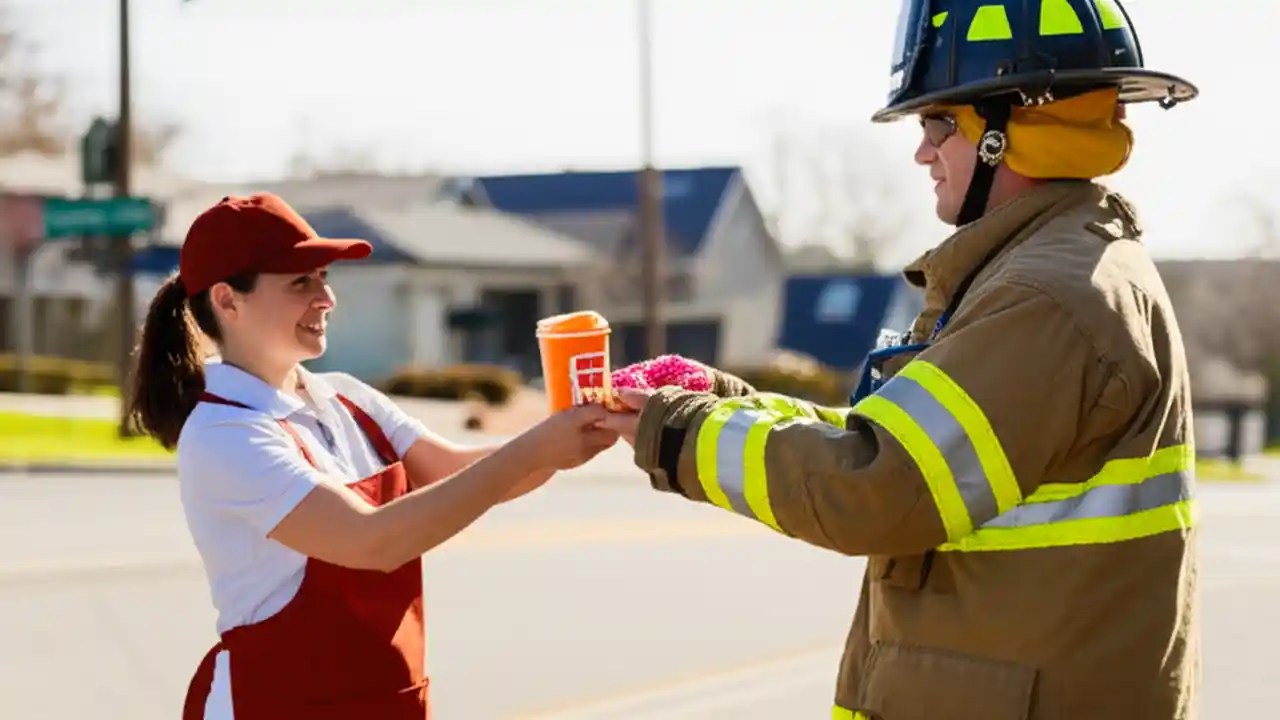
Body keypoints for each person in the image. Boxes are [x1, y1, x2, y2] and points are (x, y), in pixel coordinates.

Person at [602, 1, 1199, 718]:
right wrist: (730, 404)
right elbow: (895, 445)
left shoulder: (1045, 296)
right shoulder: (1052, 269)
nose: (922, 152)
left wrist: (685, 433)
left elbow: (880, 488)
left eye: (938, 124)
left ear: (1004, 135)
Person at [126, 192, 617, 719]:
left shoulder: (346, 397)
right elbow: (370, 539)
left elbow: (456, 471)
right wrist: (538, 448)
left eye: (323, 278)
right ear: (227, 300)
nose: (326, 298)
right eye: (300, 283)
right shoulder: (225, 433)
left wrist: (572, 433)